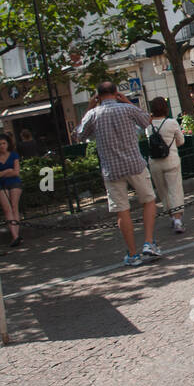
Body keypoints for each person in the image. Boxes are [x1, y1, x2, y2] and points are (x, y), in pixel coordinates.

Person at [76, 80, 160, 266]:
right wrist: (127, 101)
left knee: (122, 211)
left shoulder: (93, 114)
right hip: (134, 163)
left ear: (97, 96)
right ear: (116, 93)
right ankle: (148, 243)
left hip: (111, 169)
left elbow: (80, 135)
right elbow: (147, 120)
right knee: (149, 200)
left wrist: (90, 107)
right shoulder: (126, 109)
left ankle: (132, 254)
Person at [146, 96, 187, 235]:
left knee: (163, 191)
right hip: (171, 160)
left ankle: (171, 215)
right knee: (175, 189)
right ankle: (177, 220)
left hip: (155, 163)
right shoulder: (172, 123)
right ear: (166, 108)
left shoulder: (149, 125)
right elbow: (181, 141)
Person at [0, 133, 24, 247]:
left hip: (14, 183)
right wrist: (7, 171)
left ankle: (16, 234)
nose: (2, 146)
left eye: (4, 143)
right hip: (1, 185)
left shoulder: (13, 155)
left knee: (14, 207)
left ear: (8, 144)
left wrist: (2, 173)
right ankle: (15, 236)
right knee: (7, 209)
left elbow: (16, 172)